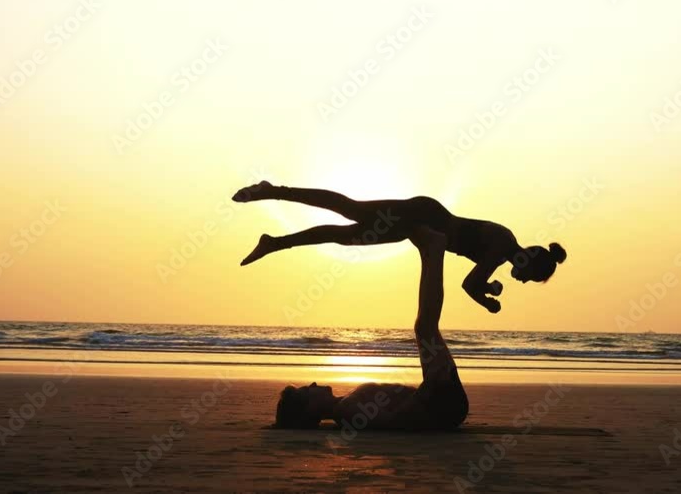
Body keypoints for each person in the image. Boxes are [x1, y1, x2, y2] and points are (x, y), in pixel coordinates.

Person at [233, 180, 566, 313]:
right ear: (529, 260)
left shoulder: (503, 248)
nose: (524, 281)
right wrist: (487, 300)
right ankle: (274, 191)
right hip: (422, 217)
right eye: (530, 277)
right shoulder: (501, 246)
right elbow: (469, 284)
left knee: (344, 235)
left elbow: (476, 279)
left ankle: (275, 242)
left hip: (418, 225)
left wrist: (488, 288)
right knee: (351, 210)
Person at [273, 227, 468, 430]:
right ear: (310, 409)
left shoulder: (345, 404)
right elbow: (394, 421)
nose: (312, 384)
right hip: (439, 406)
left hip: (439, 399)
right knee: (424, 328)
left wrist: (429, 386)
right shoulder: (346, 411)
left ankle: (430, 251)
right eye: (306, 390)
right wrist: (427, 388)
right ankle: (433, 251)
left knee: (424, 327)